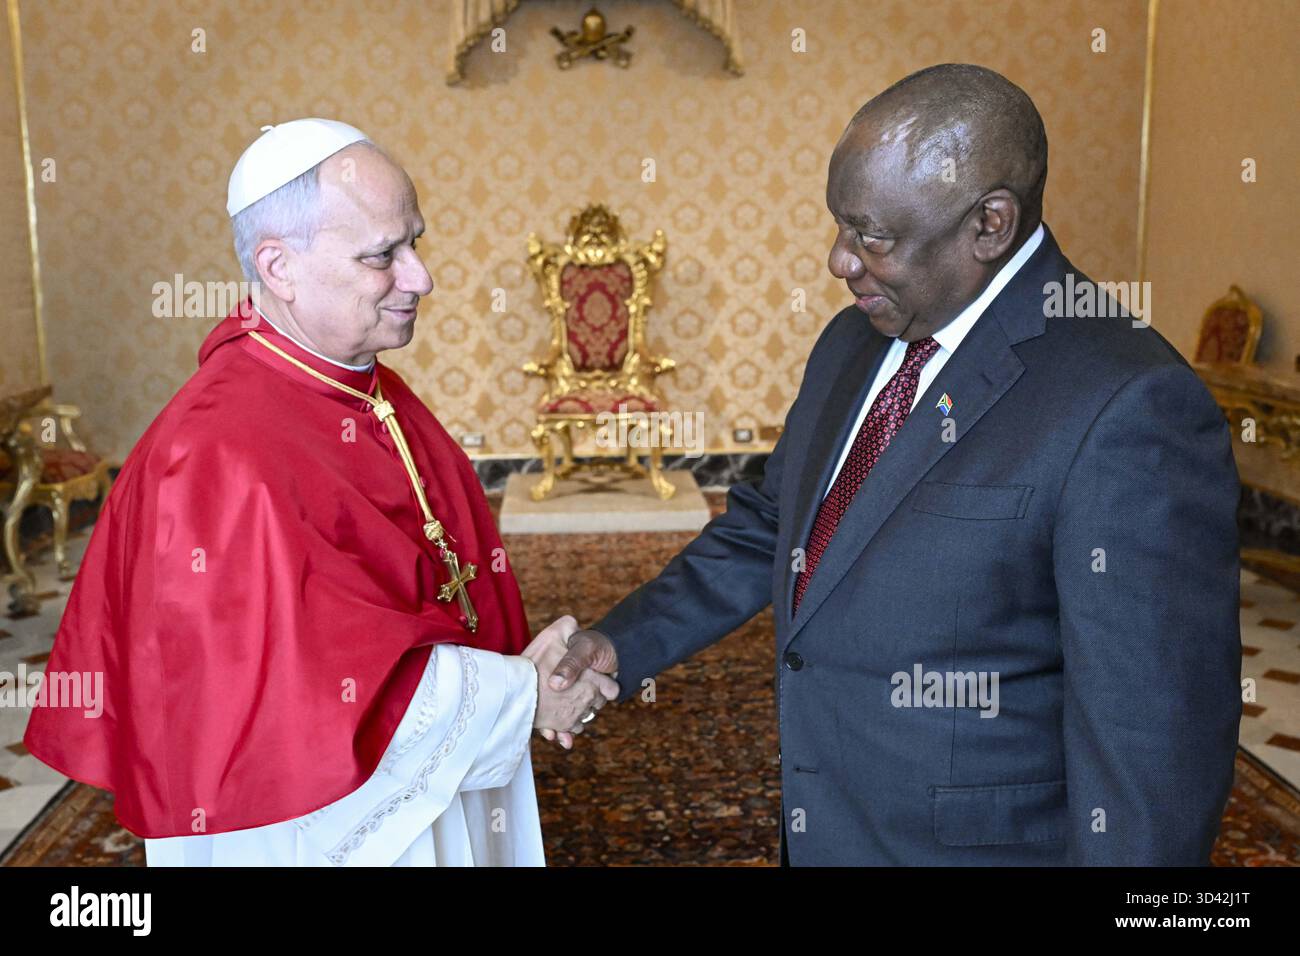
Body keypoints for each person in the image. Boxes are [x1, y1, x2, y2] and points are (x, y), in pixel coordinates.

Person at [548, 64, 1243, 865]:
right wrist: (618, 644)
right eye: (839, 226)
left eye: (870, 235)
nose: (838, 261)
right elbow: (773, 528)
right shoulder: (853, 342)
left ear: (989, 225)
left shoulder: (1126, 402)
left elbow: (1152, 744)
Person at [24, 118, 616, 866]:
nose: (420, 277)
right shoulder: (216, 452)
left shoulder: (365, 387)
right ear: (278, 267)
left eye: (415, 242)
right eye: (382, 256)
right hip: (314, 826)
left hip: (428, 778)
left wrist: (522, 675)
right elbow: (309, 690)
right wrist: (520, 694)